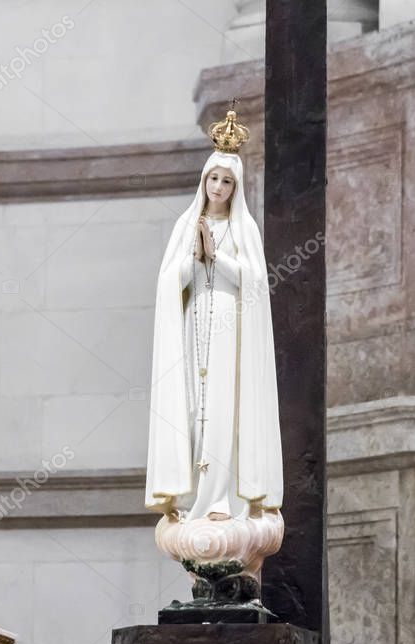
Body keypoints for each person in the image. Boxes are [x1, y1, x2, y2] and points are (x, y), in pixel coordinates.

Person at [145, 108, 282, 522]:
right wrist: (194, 253)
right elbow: (171, 282)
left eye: (226, 180)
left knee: (223, 408)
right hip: (194, 326)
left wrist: (215, 254)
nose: (218, 186)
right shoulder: (186, 225)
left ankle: (221, 498)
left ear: (235, 186)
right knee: (193, 407)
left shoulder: (245, 229)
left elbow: (253, 282)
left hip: (229, 327)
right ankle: (192, 495)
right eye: (213, 178)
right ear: (203, 180)